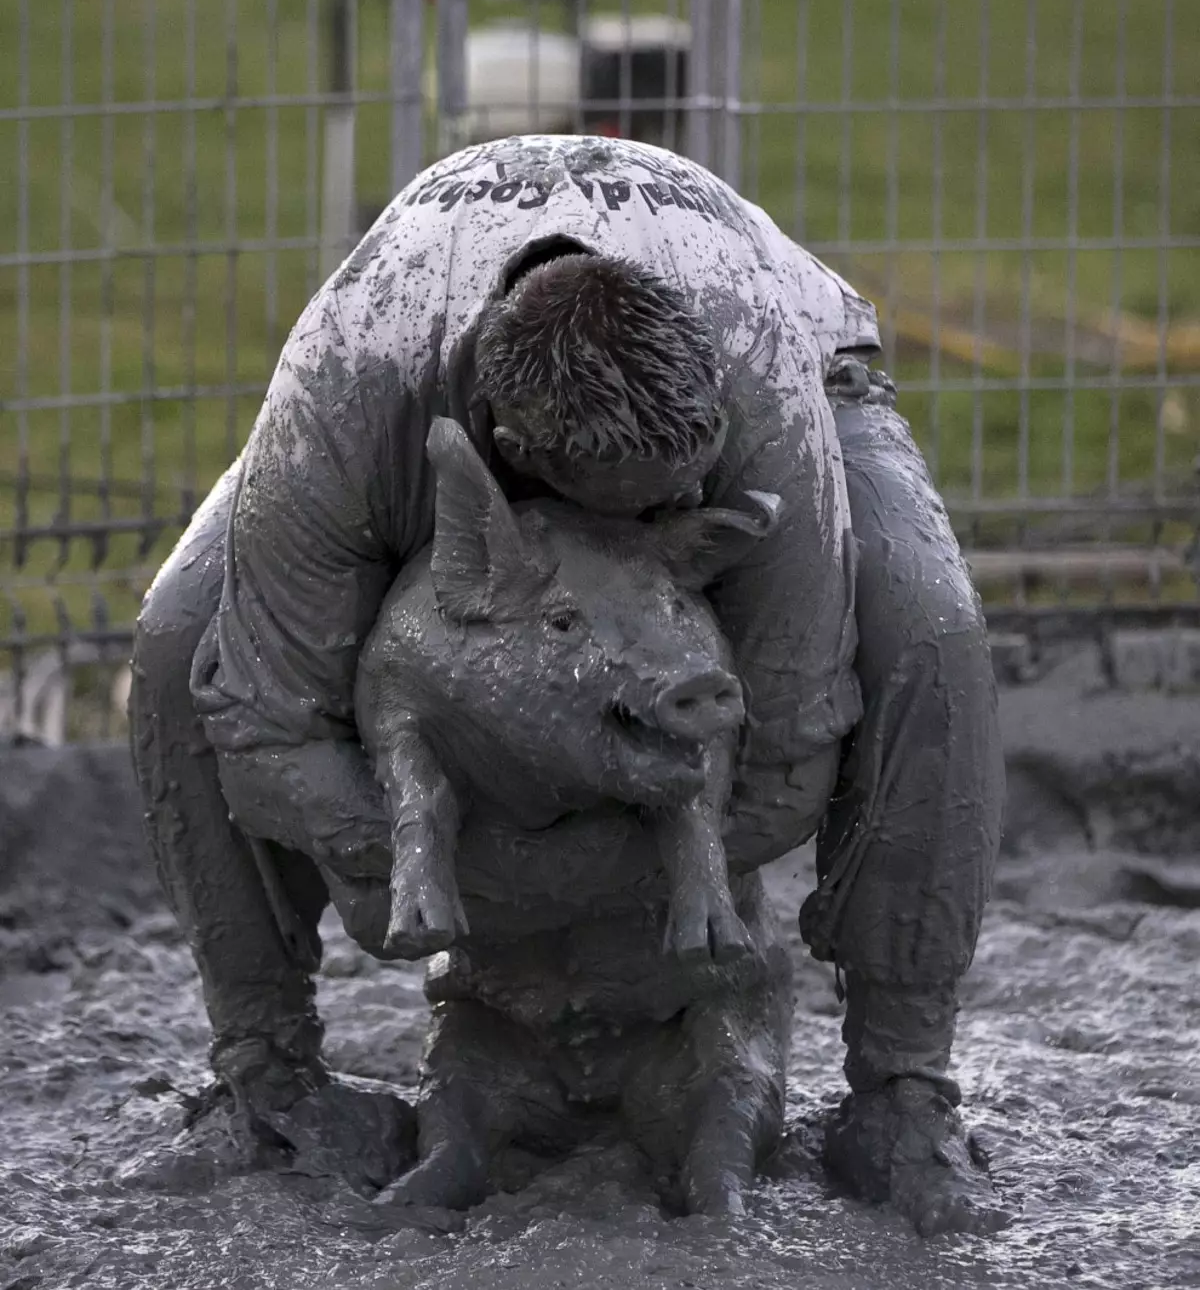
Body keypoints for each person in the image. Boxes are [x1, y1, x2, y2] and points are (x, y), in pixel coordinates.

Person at [131, 134, 1006, 1236]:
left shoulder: (753, 388)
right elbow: (264, 735)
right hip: (408, 382)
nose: (662, 523)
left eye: (684, 492)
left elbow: (785, 750)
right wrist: (403, 859)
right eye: (637, 509)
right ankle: (263, 1073)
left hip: (802, 357)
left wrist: (494, 882)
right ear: (509, 451)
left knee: (933, 631)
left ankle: (904, 1089)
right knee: (175, 639)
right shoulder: (350, 396)